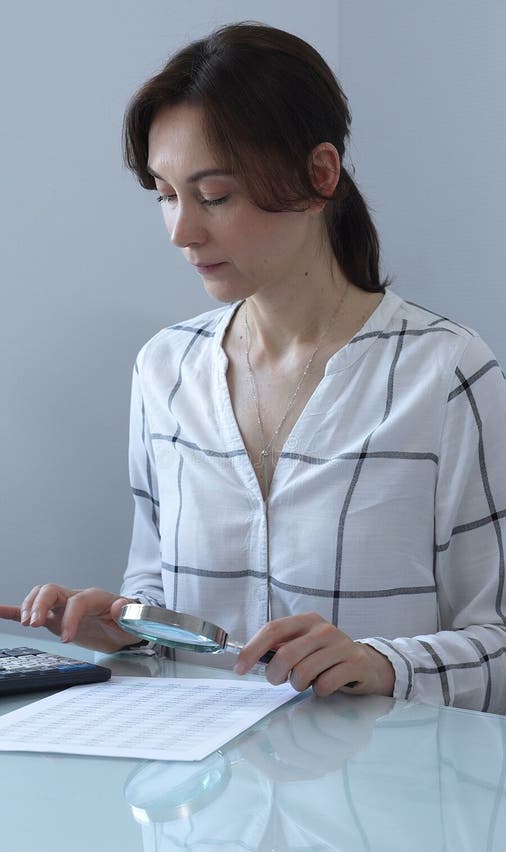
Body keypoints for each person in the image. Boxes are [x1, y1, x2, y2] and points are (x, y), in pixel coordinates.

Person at [2, 21, 505, 711]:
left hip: (385, 804)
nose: (182, 232)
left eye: (214, 196)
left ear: (319, 175)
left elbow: (498, 643)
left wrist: (378, 663)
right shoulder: (164, 371)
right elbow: (166, 618)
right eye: (165, 194)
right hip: (203, 805)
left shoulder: (447, 376)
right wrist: (122, 628)